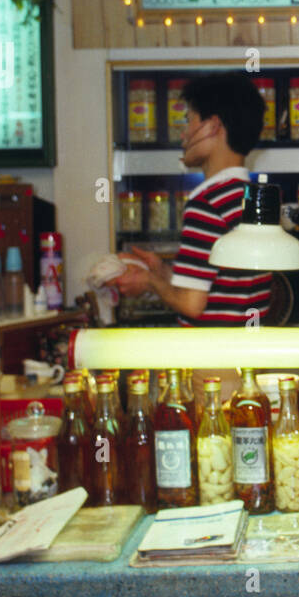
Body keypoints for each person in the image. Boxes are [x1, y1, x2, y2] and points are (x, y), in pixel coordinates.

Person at [109, 75, 272, 392]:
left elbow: (193, 304)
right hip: (252, 362)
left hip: (212, 369)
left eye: (188, 121)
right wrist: (164, 271)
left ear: (212, 126)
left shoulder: (206, 202)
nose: (183, 134)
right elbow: (228, 287)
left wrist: (149, 281)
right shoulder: (254, 197)